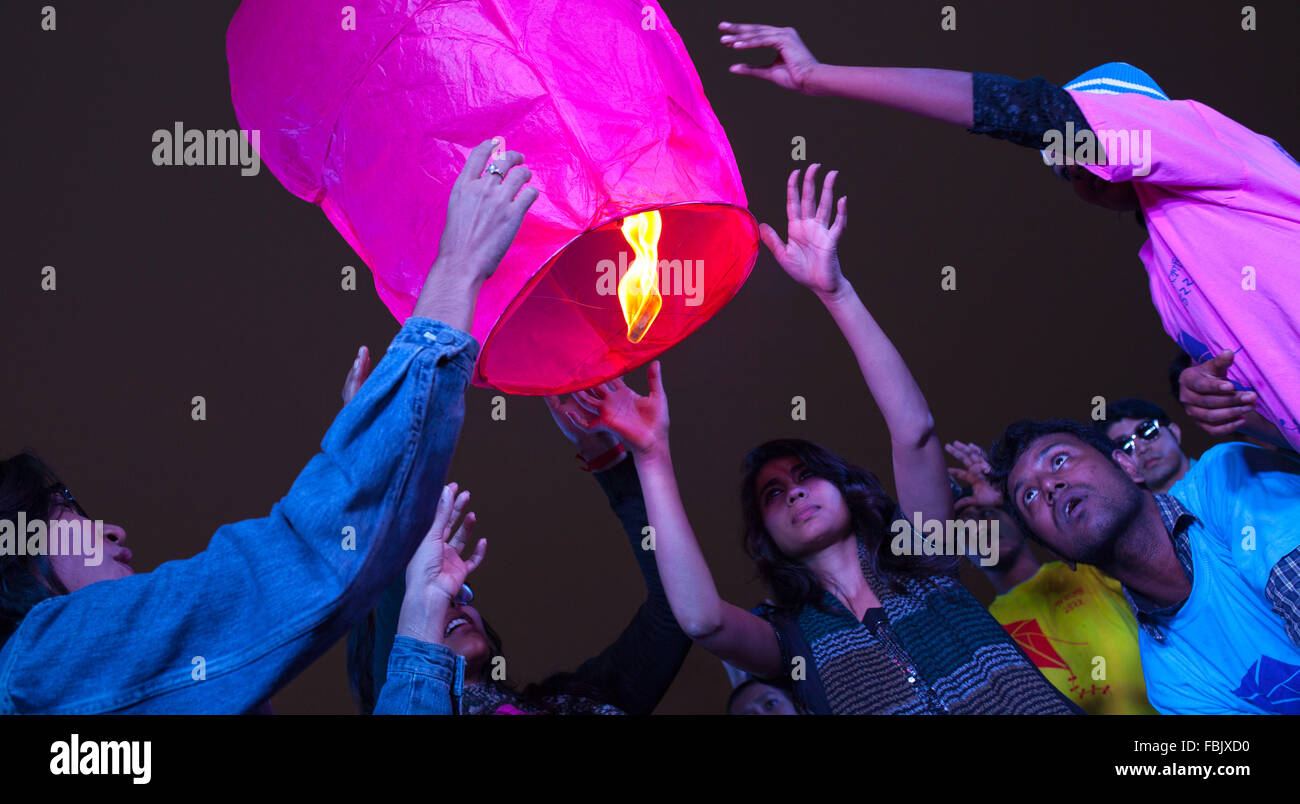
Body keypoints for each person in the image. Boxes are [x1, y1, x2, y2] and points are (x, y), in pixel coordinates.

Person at [0, 139, 537, 713]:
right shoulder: (40, 663)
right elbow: (305, 560)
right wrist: (455, 271)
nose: (113, 533)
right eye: (66, 504)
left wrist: (423, 612)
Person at [567, 166, 1077, 714]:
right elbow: (701, 620)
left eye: (806, 476)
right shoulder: (790, 639)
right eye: (772, 495)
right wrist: (651, 454)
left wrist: (836, 293)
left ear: (847, 490)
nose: (793, 492)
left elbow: (915, 432)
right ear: (764, 535)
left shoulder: (923, 556)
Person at [720, 22, 1300, 452]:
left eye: (1078, 150)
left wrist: (819, 77)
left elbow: (1027, 112)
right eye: (1062, 169)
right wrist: (1204, 392)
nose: (1075, 171)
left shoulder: (1195, 134)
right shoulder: (1165, 277)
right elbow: (1261, 407)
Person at [349, 387, 691, 715]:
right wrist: (385, 466)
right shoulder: (398, 696)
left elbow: (681, 608)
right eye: (430, 600)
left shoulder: (574, 700)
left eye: (457, 597)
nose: (452, 604)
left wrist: (608, 460)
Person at [987, 418, 1300, 713]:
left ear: (1126, 465)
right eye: (1029, 496)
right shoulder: (1169, 683)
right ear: (1057, 552)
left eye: (1058, 460)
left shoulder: (1225, 480)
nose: (1049, 486)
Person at [947, 442, 1156, 714]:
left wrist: (1008, 498)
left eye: (987, 514)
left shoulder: (1086, 568)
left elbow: (1150, 536)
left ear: (1017, 522)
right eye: (966, 529)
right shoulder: (985, 631)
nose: (981, 528)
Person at [1093, 399, 1195, 494]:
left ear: (1175, 432)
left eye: (1147, 431)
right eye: (1125, 446)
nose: (1142, 448)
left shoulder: (1206, 474)